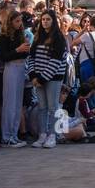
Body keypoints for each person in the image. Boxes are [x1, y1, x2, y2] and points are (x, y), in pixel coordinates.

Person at [27, 10, 69, 149]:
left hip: (53, 78)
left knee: (53, 107)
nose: (45, 22)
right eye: (43, 19)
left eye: (48, 19)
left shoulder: (59, 38)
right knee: (42, 107)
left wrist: (42, 78)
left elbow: (56, 61)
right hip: (37, 78)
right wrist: (33, 75)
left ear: (53, 21)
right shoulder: (37, 36)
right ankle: (42, 134)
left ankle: (53, 135)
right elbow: (32, 57)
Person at [0, 9, 32, 146]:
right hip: (11, 67)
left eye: (20, 21)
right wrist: (18, 50)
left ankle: (14, 133)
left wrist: (26, 49)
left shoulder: (21, 35)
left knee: (18, 103)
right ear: (10, 22)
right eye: (16, 21)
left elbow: (24, 54)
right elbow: (4, 56)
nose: (19, 24)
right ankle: (7, 136)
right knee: (10, 103)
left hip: (21, 67)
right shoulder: (4, 37)